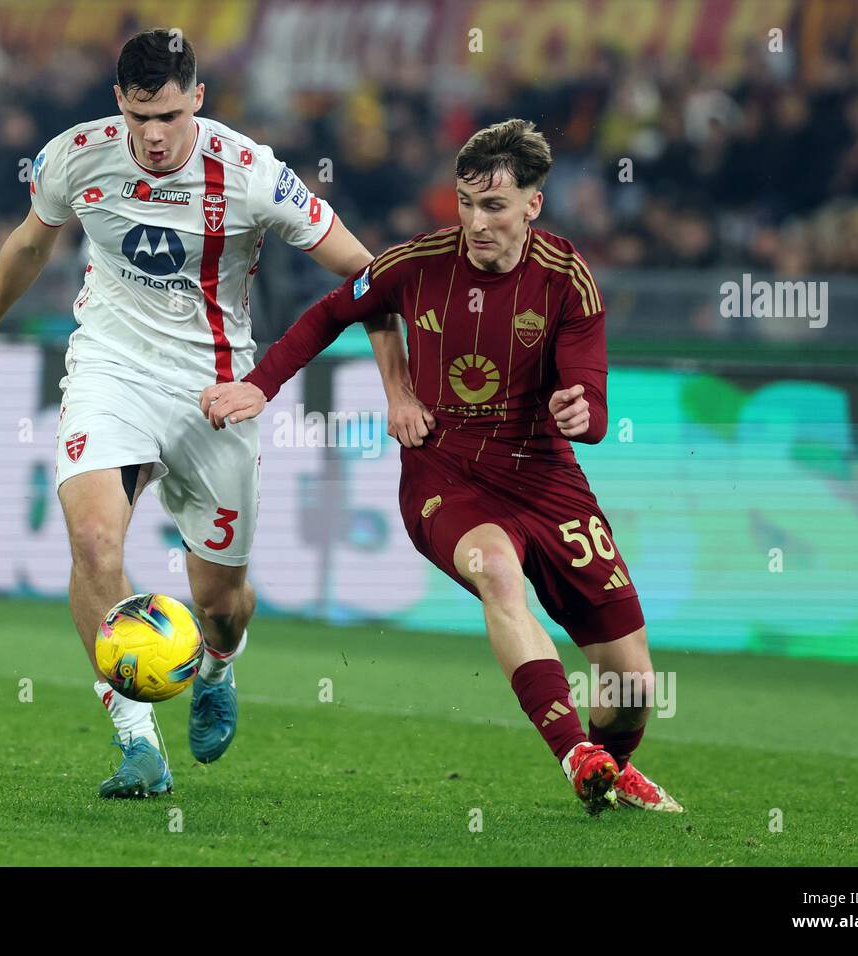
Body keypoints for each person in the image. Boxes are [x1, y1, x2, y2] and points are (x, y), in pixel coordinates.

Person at [0, 29, 424, 798]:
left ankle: (220, 667)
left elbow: (369, 275)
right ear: (118, 106)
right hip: (110, 368)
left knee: (217, 604)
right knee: (96, 544)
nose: (153, 137)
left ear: (198, 97)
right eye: (138, 118)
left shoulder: (253, 174)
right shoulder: (75, 156)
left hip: (214, 391)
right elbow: (32, 243)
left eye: (167, 115)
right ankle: (136, 741)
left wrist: (396, 388)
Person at [200, 119, 682, 814]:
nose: (475, 222)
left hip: (547, 480)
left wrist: (586, 413)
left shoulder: (566, 278)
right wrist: (261, 385)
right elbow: (329, 313)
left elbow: (591, 396)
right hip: (445, 476)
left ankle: (610, 770)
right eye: (465, 202)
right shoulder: (415, 263)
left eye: (493, 207)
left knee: (632, 684)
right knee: (497, 575)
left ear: (532, 206)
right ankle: (575, 752)